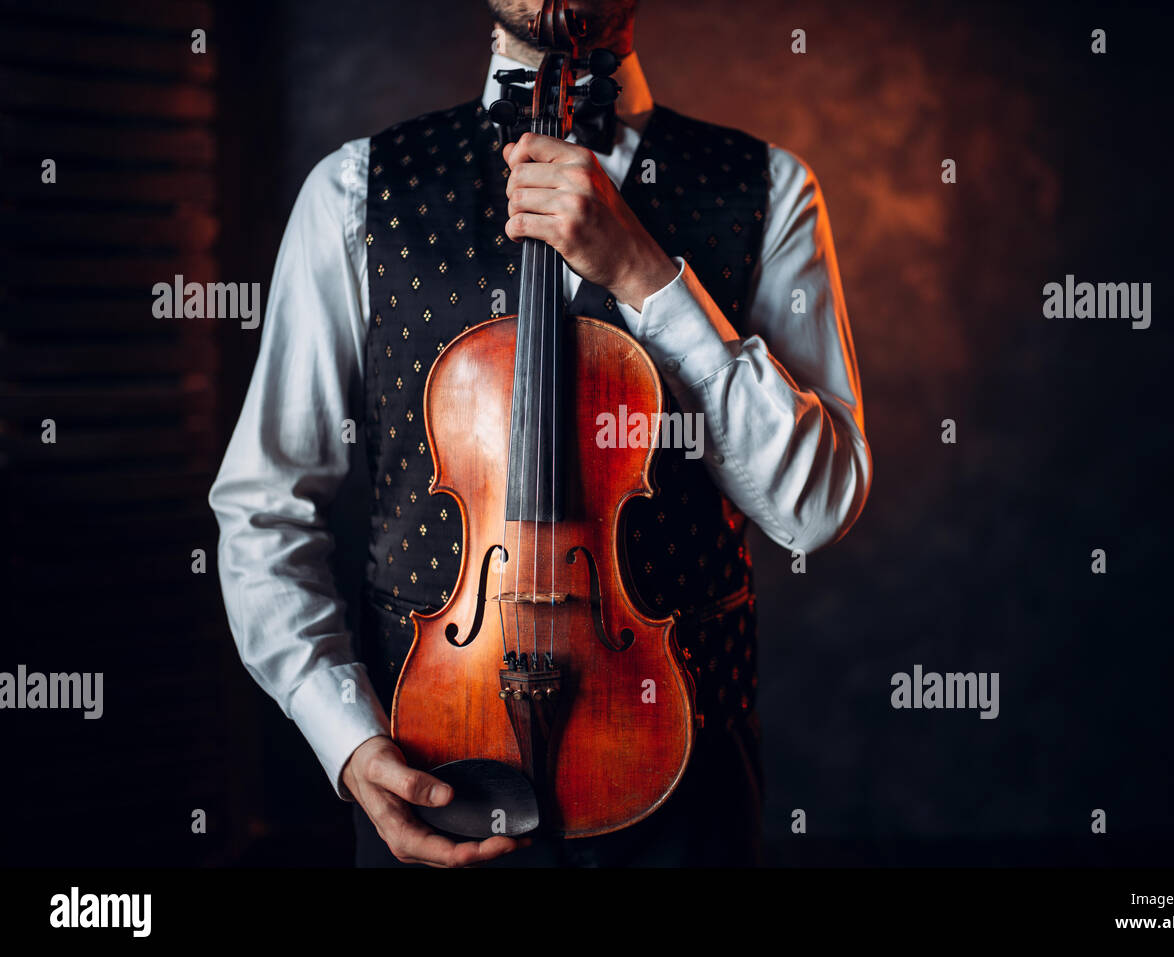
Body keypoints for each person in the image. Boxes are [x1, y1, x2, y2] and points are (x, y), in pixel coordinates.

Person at [209, 0, 870, 868]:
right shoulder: (351, 191)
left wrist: (651, 278)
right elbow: (265, 506)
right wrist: (345, 738)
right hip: (429, 762)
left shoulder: (772, 190)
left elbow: (815, 509)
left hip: (680, 771)